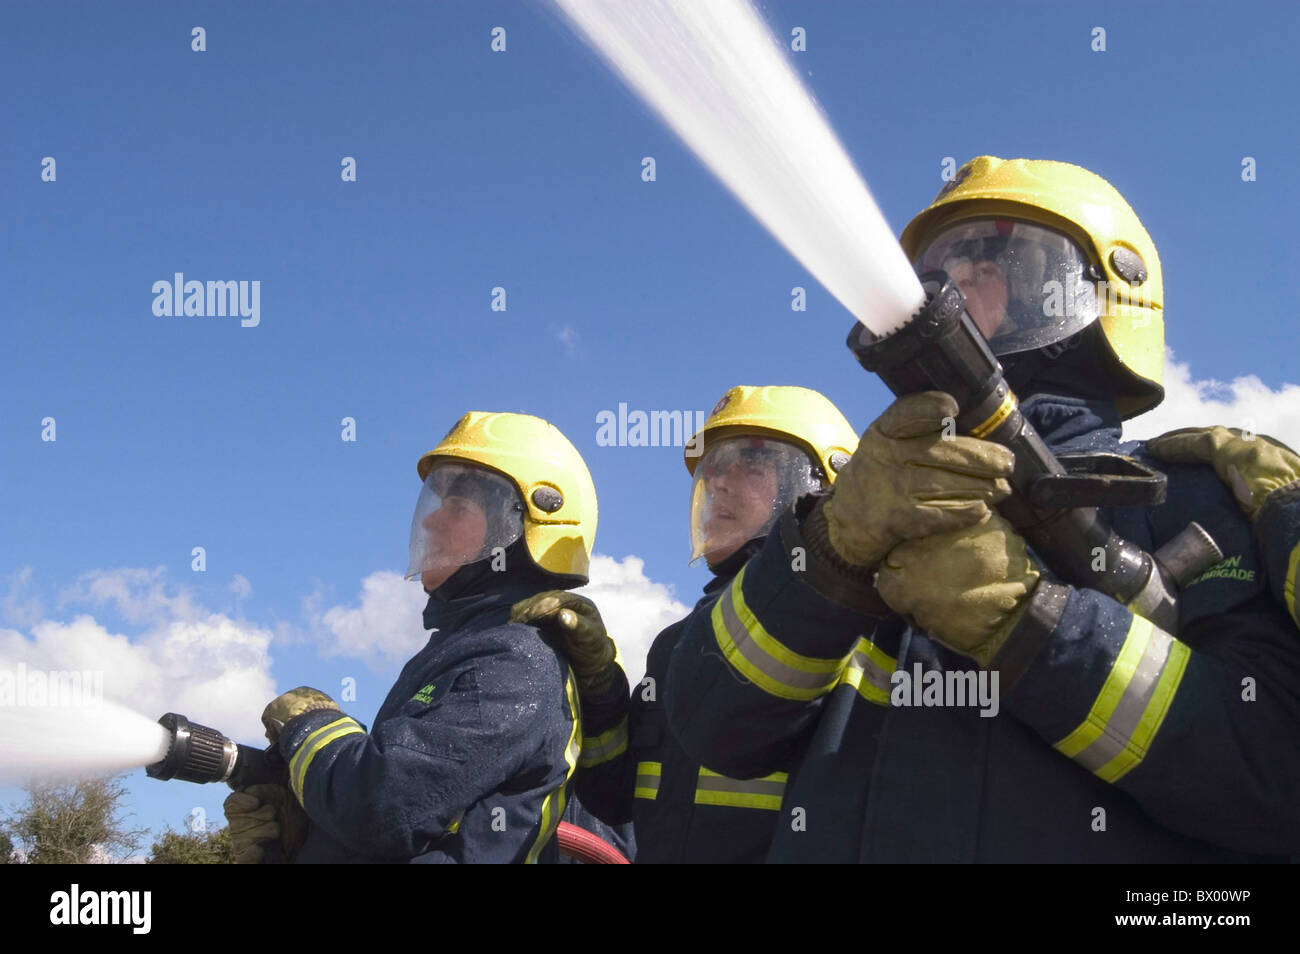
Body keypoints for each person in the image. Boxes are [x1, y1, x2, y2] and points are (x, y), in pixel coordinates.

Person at [665, 156, 1300, 862]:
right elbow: (713, 728)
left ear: (1095, 294)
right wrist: (827, 555)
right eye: (943, 262)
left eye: (996, 258)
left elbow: (1274, 780)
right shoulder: (862, 516)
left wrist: (1030, 628)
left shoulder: (1192, 499)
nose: (951, 281)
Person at [223, 411, 594, 863]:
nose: (433, 522)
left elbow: (378, 808)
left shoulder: (514, 662)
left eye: (458, 507)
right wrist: (284, 847)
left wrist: (310, 726)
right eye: (436, 503)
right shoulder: (459, 650)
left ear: (526, 523)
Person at [514, 385, 859, 862]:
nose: (718, 483)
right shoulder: (678, 643)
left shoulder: (846, 633)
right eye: (713, 469)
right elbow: (613, 795)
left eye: (752, 464)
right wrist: (598, 684)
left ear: (820, 483)